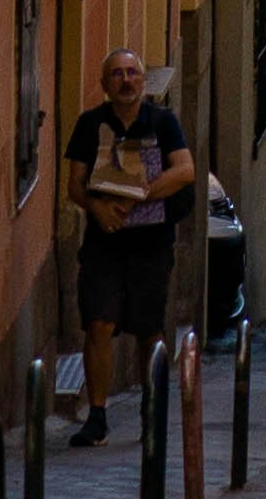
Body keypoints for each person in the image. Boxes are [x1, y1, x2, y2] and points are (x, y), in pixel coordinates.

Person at [62, 49, 187, 441]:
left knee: (149, 329)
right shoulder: (89, 124)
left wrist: (139, 194)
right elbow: (75, 185)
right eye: (117, 74)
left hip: (151, 244)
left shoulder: (163, 123)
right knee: (99, 323)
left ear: (143, 80)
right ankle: (96, 414)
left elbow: (185, 170)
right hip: (105, 244)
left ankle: (154, 411)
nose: (126, 80)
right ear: (105, 84)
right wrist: (97, 208)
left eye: (132, 72)